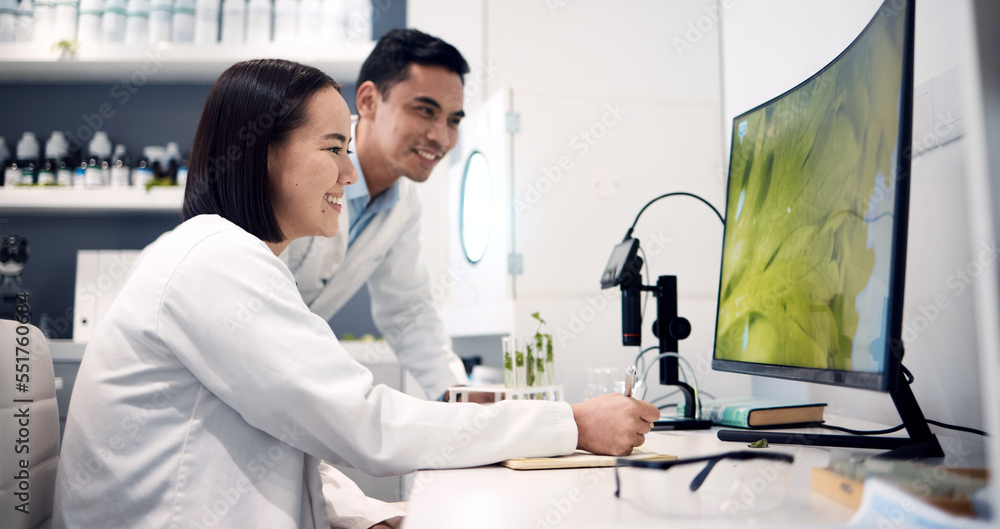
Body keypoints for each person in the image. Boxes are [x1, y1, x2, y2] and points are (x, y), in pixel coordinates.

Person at [52, 59, 661, 529]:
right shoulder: (215, 261)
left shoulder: (228, 256)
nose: (349, 173)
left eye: (348, 150)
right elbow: (365, 424)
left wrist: (369, 517)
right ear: (262, 154)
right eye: (332, 149)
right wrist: (571, 423)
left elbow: (297, 431)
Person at [280, 29, 473, 401]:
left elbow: (408, 312)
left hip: (283, 368)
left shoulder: (404, 203)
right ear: (368, 101)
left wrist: (458, 397)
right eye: (425, 111)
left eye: (453, 121)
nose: (441, 137)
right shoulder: (304, 160)